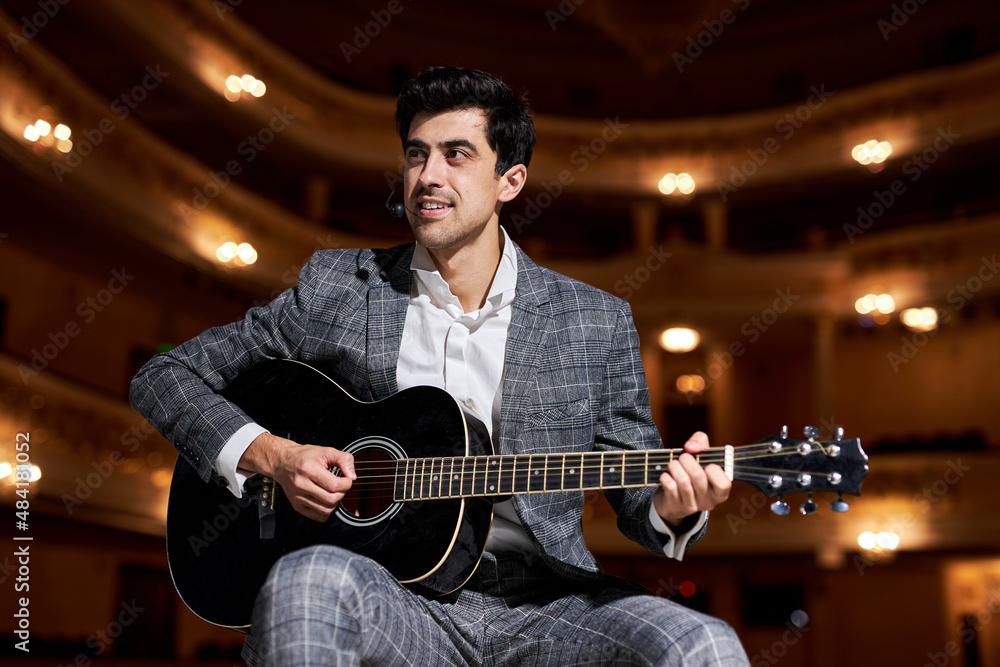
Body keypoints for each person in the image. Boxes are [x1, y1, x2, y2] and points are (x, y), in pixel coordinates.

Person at [131, 66, 749, 666]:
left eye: (456, 154)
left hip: (548, 603)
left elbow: (637, 493)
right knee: (308, 577)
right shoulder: (338, 288)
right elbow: (164, 375)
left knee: (704, 646)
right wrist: (273, 455)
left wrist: (675, 507)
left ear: (511, 180)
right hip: (396, 599)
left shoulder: (594, 320)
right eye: (415, 154)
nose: (427, 176)